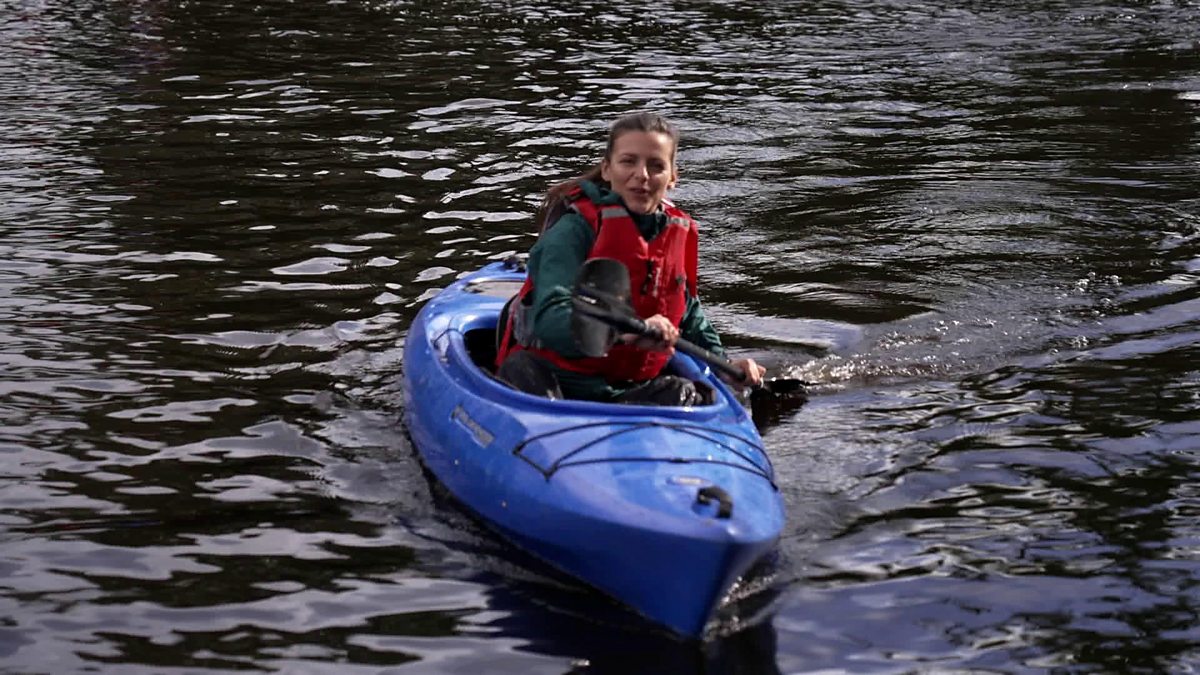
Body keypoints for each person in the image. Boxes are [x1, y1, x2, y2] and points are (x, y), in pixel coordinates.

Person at [494, 111, 765, 406]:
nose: (642, 175)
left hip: (630, 390)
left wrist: (726, 365)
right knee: (522, 372)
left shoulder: (675, 232)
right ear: (607, 169)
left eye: (656, 165)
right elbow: (550, 318)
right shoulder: (573, 231)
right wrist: (625, 333)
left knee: (687, 392)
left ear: (673, 177)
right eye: (629, 161)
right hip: (554, 379)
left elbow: (688, 315)